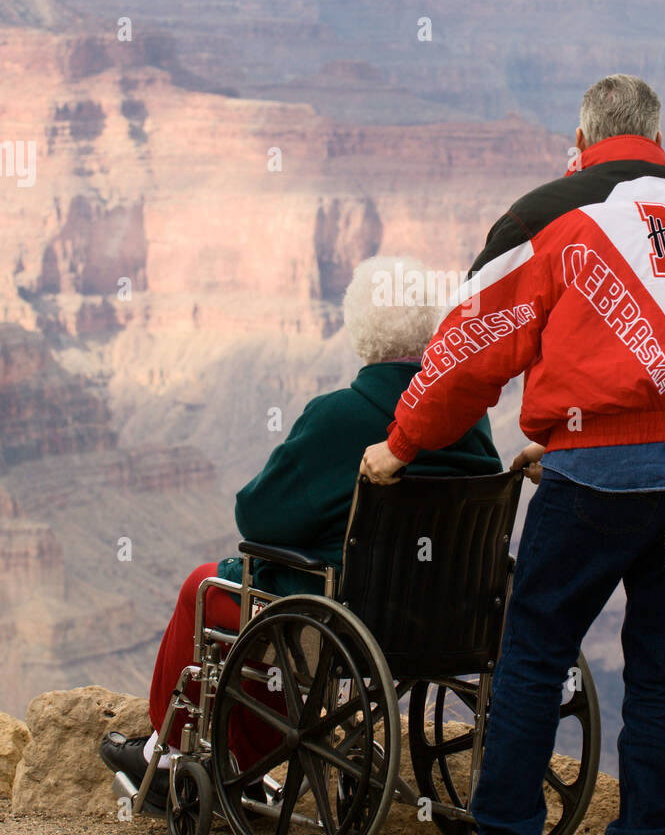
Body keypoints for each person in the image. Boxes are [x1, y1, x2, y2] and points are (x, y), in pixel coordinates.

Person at [361, 75, 665, 835]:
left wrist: (400, 446)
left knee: (535, 651)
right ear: (656, 135)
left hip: (603, 482)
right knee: (662, 669)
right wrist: (576, 437)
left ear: (579, 137)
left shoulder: (554, 210)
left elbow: (471, 348)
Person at [100, 254, 501, 806]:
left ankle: (173, 757)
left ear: (360, 330)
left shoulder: (340, 416)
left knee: (205, 587)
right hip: (452, 622)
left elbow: (258, 517)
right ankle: (247, 766)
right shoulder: (470, 418)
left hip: (354, 624)